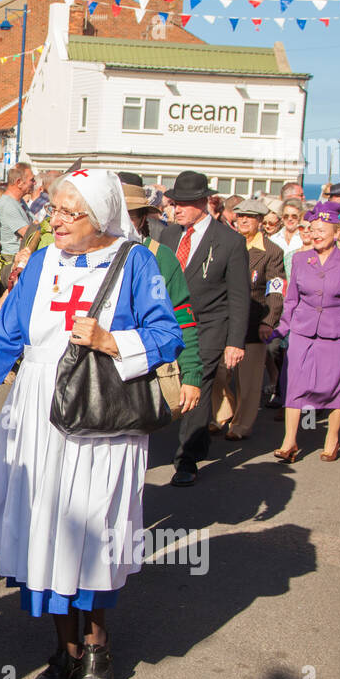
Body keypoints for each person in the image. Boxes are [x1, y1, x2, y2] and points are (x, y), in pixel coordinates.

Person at [0, 169, 183, 679]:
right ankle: (66, 649)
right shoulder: (41, 262)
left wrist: (111, 339)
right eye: (53, 209)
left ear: (100, 218)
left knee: (94, 525)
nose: (55, 220)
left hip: (102, 411)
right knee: (45, 526)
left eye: (69, 212)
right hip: (37, 410)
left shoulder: (134, 260)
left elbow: (166, 334)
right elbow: (6, 333)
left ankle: (98, 644)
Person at [158, 171, 249, 487]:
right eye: (173, 203)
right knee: (169, 384)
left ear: (202, 202)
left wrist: (235, 341)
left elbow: (239, 296)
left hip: (209, 326)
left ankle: (188, 458)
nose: (176, 209)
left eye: (182, 204)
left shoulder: (230, 241)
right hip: (169, 323)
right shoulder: (169, 236)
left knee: (199, 387)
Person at [270, 202, 340, 463]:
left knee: (334, 387)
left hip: (337, 333)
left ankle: (332, 439)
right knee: (295, 385)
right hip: (302, 331)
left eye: (322, 230)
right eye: (312, 230)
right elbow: (292, 300)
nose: (316, 235)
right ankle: (289, 441)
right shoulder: (300, 259)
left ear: (336, 232)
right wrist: (281, 329)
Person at [122, 178, 203, 410]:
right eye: (118, 214)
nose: (123, 223)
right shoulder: (85, 256)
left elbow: (182, 317)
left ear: (142, 218)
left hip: (143, 369)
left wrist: (191, 374)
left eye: (131, 215)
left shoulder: (160, 257)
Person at [225, 199, 285, 440]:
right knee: (219, 374)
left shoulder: (272, 252)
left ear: (260, 221)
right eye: (240, 216)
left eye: (249, 216)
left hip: (254, 320)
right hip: (226, 320)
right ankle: (223, 413)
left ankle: (240, 426)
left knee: (248, 381)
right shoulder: (229, 244)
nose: (244, 220)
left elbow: (276, 289)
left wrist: (269, 320)